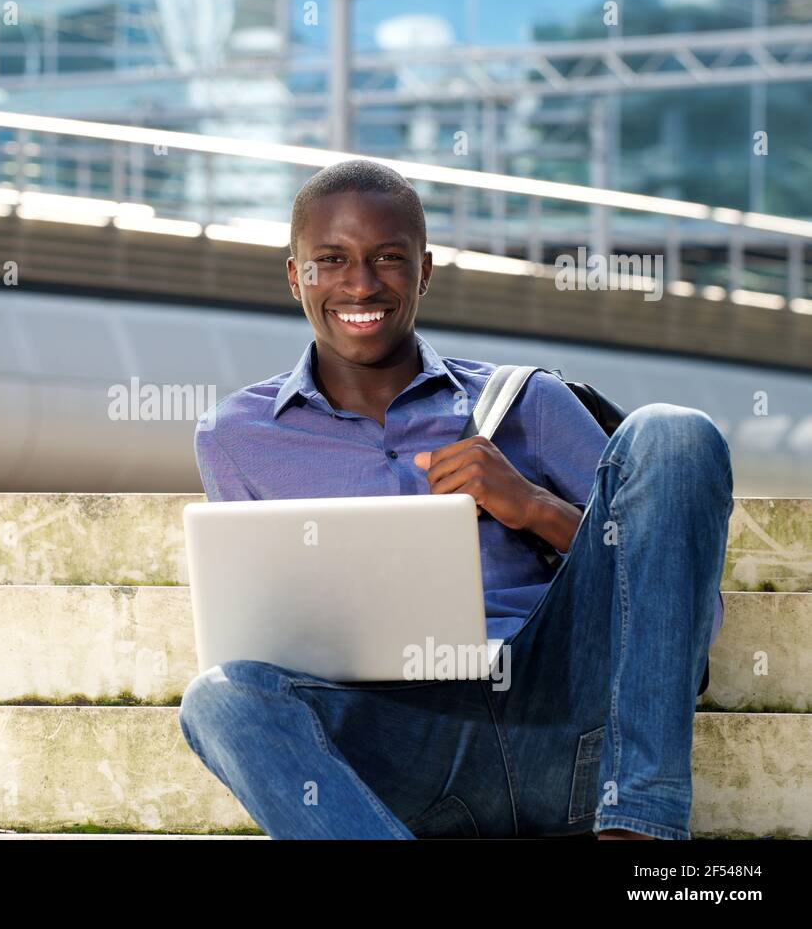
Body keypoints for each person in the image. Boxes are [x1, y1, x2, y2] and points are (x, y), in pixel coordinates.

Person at [178, 158, 732, 840]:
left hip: (572, 730)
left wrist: (531, 506)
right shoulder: (236, 438)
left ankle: (638, 832)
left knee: (676, 431)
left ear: (424, 271)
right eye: (331, 259)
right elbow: (261, 645)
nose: (361, 282)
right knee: (219, 697)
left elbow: (686, 613)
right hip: (409, 759)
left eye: (388, 258)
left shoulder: (527, 402)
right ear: (297, 276)